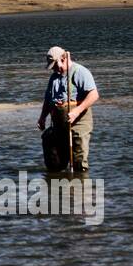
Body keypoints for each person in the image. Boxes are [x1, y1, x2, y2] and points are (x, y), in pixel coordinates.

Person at [36, 46, 99, 174]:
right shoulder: (54, 77)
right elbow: (48, 100)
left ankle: (79, 187)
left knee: (78, 159)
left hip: (78, 122)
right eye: (52, 67)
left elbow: (94, 95)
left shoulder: (80, 72)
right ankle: (59, 189)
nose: (54, 69)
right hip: (59, 123)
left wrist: (77, 111)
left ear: (64, 58)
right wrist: (42, 117)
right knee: (55, 159)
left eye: (55, 65)